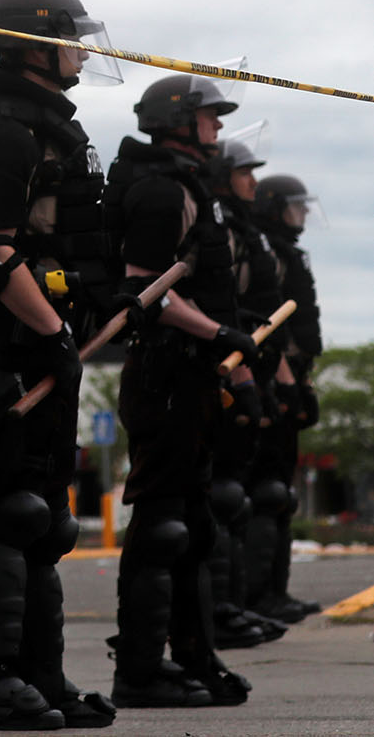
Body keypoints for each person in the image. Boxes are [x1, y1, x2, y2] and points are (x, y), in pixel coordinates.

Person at [0, 0, 121, 731]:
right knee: (11, 513)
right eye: (70, 38)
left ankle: (41, 678)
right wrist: (49, 336)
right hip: (6, 342)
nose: (81, 52)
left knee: (47, 524)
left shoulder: (43, 127)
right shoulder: (3, 131)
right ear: (34, 45)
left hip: (44, 339)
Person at [101, 73, 254, 708]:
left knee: (193, 525)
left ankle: (194, 658)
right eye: (210, 117)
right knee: (163, 525)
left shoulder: (191, 187)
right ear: (178, 120)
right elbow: (145, 290)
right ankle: (138, 670)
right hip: (163, 370)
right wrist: (219, 332)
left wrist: (233, 360)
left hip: (192, 372)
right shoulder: (162, 190)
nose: (217, 128)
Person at [201, 137, 286, 649]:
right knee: (223, 498)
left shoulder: (239, 230)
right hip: (213, 372)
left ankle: (236, 608)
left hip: (245, 367)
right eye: (243, 172)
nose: (252, 181)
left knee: (247, 499)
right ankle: (218, 616)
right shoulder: (216, 228)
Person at [246, 174, 326, 623]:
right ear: (275, 208)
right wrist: (285, 382)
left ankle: (276, 592)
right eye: (295, 207)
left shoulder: (285, 251)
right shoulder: (266, 250)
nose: (304, 215)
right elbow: (271, 323)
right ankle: (257, 596)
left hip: (292, 376)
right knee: (267, 493)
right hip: (272, 379)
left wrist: (303, 382)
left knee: (281, 495)